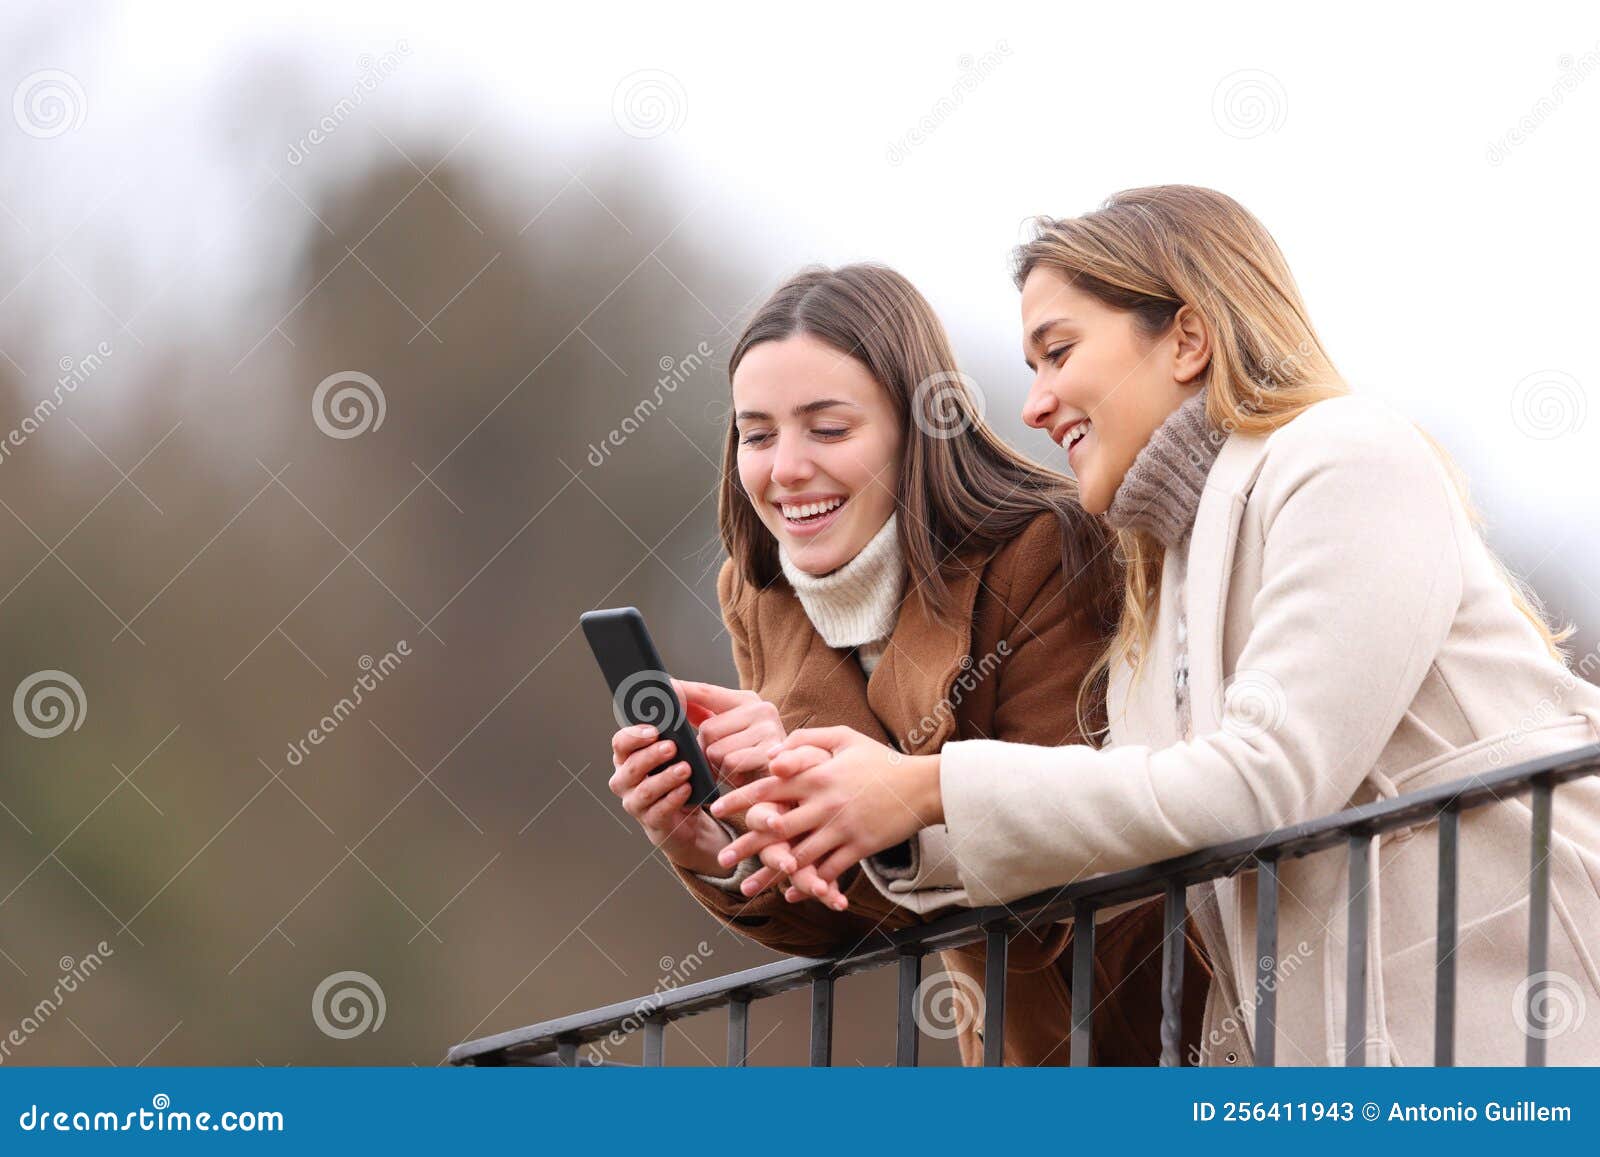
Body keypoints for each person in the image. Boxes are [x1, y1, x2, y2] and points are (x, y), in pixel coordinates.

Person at [712, 187, 1600, 1065]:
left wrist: (924, 784)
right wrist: (838, 808)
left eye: (1057, 353)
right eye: (1030, 366)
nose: (1033, 404)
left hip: (1515, 1033)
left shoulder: (1345, 455)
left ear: (1186, 338)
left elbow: (1264, 779)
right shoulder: (1158, 578)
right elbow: (1122, 832)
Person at [607, 262, 1210, 1065]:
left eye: (828, 429)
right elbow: (848, 924)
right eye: (756, 433)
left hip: (1159, 1027)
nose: (785, 468)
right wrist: (719, 836)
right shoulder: (759, 593)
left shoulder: (1048, 547)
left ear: (918, 427)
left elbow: (1053, 848)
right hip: (1006, 1049)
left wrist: (842, 796)